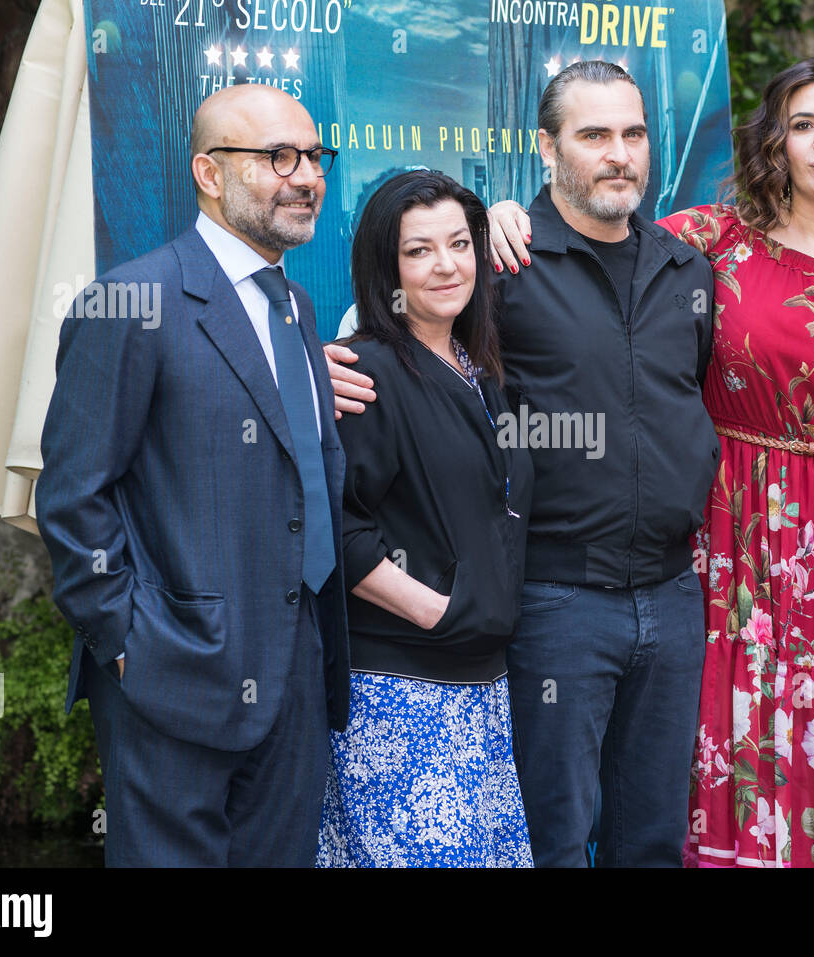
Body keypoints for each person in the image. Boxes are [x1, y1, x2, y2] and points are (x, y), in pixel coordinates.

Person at [486, 57, 814, 867]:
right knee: (698, 774)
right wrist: (490, 212)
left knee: (802, 756)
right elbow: (584, 229)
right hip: (732, 552)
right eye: (803, 124)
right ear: (779, 145)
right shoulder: (713, 243)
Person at [325, 61, 719, 867]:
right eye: (594, 134)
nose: (620, 154)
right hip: (556, 603)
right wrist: (317, 364)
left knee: (652, 840)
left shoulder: (689, 272)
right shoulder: (504, 262)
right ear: (547, 147)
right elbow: (399, 333)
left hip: (676, 597)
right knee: (550, 837)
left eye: (634, 134)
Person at [35, 85, 351, 867]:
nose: (306, 175)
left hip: (295, 680)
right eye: (278, 156)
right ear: (210, 174)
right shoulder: (129, 303)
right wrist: (126, 642)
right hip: (172, 676)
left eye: (314, 156)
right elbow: (74, 498)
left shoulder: (300, 309)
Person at [316, 170, 535, 867]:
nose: (446, 265)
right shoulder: (365, 373)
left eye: (459, 243)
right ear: (387, 269)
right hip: (400, 695)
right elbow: (337, 525)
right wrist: (435, 611)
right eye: (418, 251)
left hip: (482, 689)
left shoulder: (482, 367)